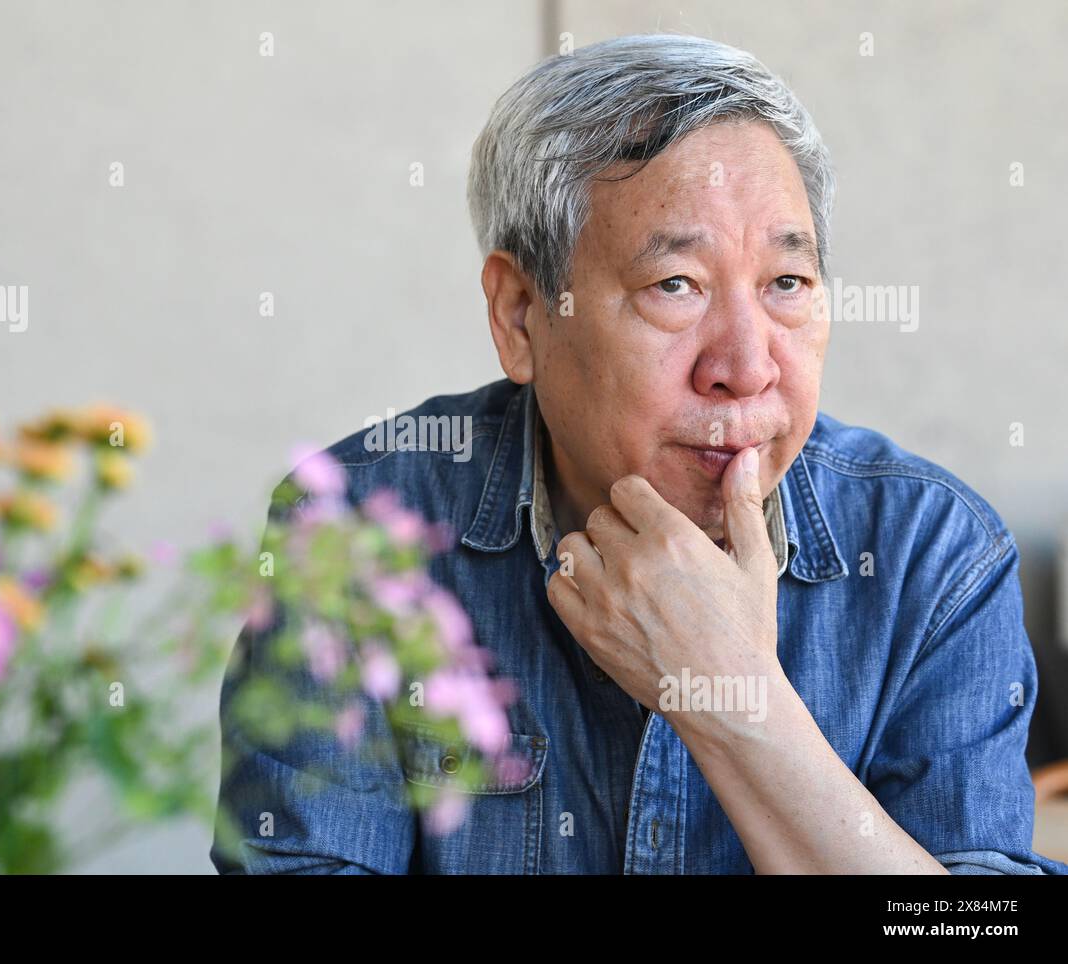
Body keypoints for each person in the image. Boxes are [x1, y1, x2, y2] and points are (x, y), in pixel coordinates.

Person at [212, 34, 1066, 874]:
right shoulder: (358, 529)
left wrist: (739, 702)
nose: (747, 367)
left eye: (786, 285)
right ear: (520, 317)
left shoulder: (933, 554)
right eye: (675, 287)